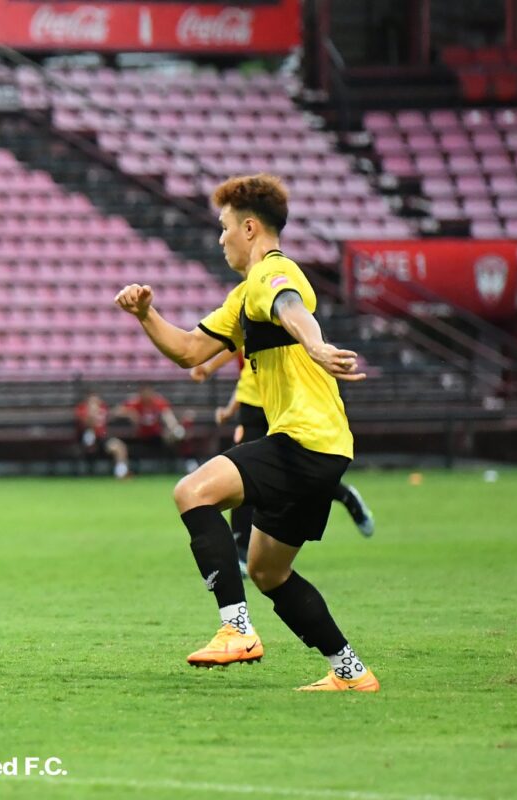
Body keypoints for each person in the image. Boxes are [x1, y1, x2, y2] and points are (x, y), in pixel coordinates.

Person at [115, 173, 380, 692]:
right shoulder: (244, 296)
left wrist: (317, 345)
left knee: (192, 492)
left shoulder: (272, 273)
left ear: (251, 228)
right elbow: (192, 350)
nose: (221, 238)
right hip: (322, 447)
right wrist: (147, 315)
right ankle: (350, 671)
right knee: (268, 572)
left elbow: (291, 308)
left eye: (225, 228)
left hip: (304, 439)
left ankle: (236, 630)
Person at [192, 349, 375, 573]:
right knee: (243, 472)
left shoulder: (284, 319)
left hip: (284, 405)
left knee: (296, 475)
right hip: (253, 405)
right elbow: (231, 343)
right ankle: (241, 549)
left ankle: (346, 496)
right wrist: (209, 369)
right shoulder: (244, 317)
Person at [116, 383, 187, 473]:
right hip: (140, 437)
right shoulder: (135, 403)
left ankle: (184, 465)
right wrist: (130, 413)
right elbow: (117, 411)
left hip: (157, 437)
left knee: (176, 438)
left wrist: (173, 427)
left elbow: (168, 416)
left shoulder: (158, 402)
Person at [75, 390, 129, 478]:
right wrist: (91, 412)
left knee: (119, 447)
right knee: (89, 437)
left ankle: (121, 474)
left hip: (102, 438)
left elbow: (109, 416)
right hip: (87, 438)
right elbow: (87, 424)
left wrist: (118, 411)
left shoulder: (103, 408)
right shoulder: (82, 409)